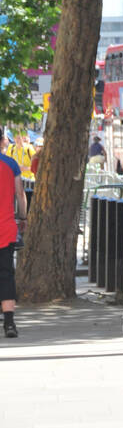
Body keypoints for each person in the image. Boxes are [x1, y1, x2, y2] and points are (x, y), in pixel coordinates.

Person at [1, 137, 27, 338]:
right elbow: (20, 193)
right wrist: (23, 217)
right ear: (2, 141)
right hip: (5, 229)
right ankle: (9, 322)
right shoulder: (10, 164)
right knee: (6, 275)